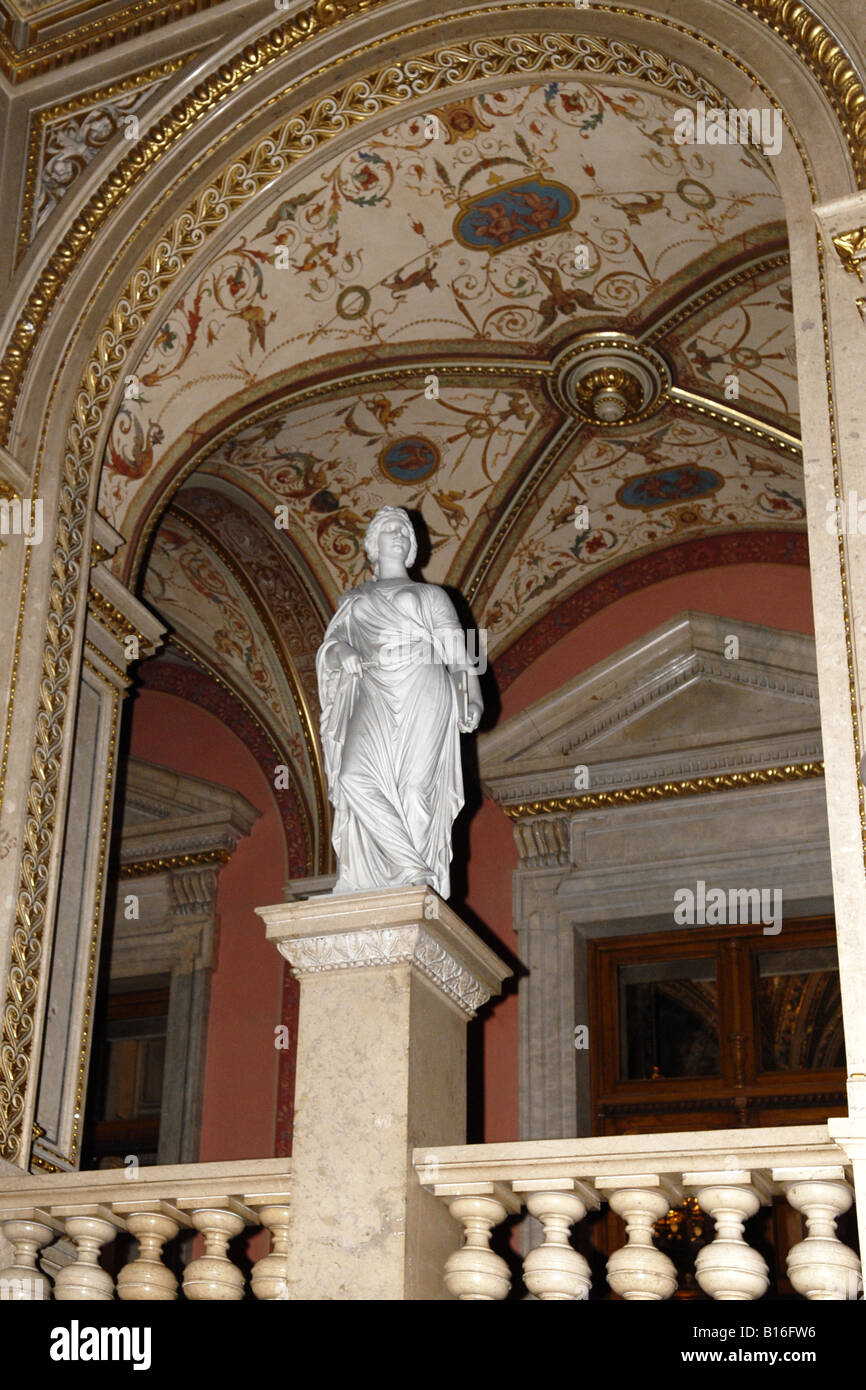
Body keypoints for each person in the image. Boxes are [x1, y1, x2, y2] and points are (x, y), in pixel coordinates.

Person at [316, 506, 483, 898]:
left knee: (414, 789)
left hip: (423, 683)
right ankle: (410, 866)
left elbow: (460, 653)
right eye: (390, 529)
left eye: (405, 531)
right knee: (353, 777)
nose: (400, 534)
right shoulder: (353, 599)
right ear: (372, 544)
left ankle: (415, 879)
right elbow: (330, 647)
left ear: (413, 548)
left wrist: (471, 698)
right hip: (371, 685)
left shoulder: (431, 595)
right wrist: (342, 653)